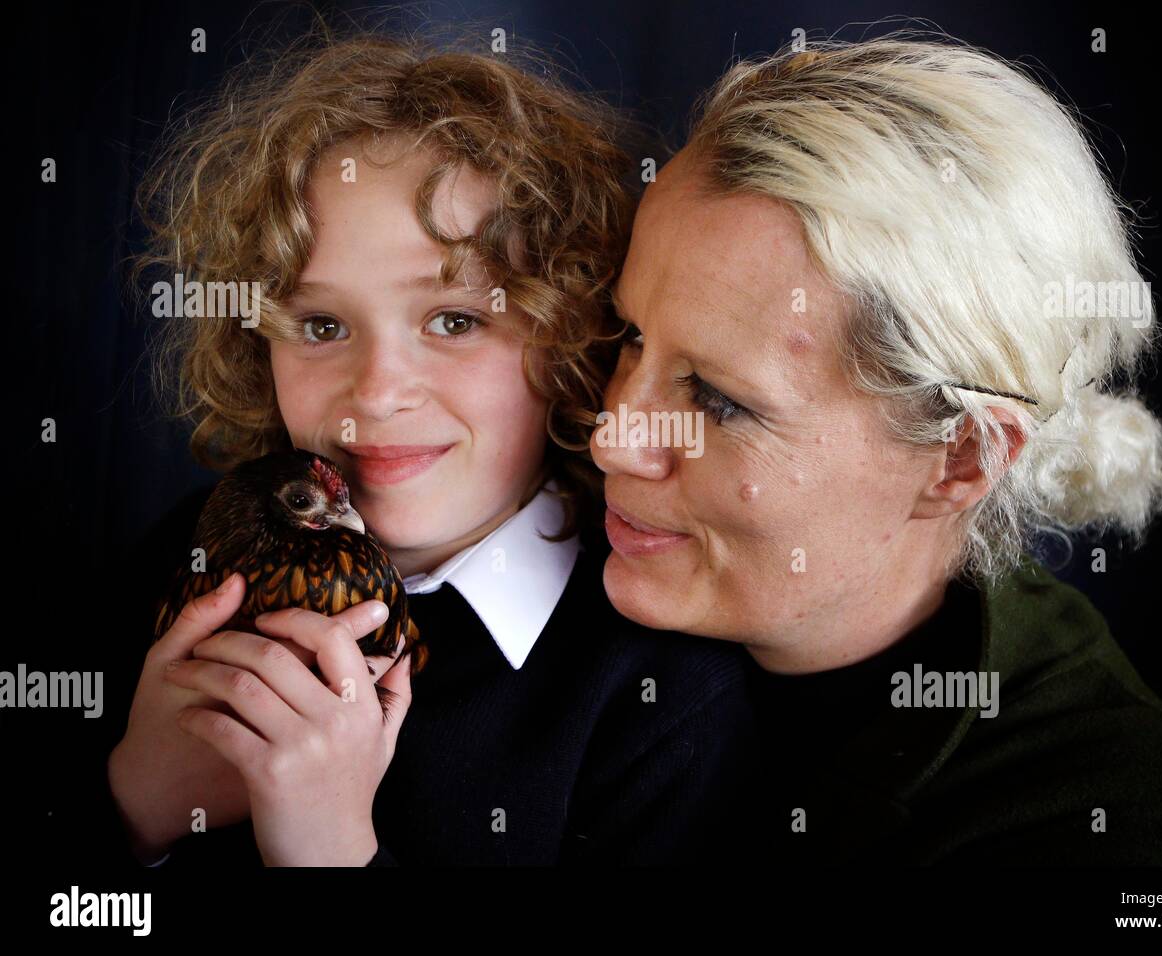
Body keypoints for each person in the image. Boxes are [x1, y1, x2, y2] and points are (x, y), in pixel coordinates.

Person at [83, 30, 756, 867]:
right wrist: (132, 809)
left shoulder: (659, 694)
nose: (376, 392)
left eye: (456, 321)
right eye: (322, 326)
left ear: (568, 336)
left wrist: (331, 853)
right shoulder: (191, 563)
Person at [590, 35, 1162, 865]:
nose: (613, 437)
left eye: (721, 401)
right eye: (628, 336)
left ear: (962, 459)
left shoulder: (1114, 829)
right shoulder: (533, 563)